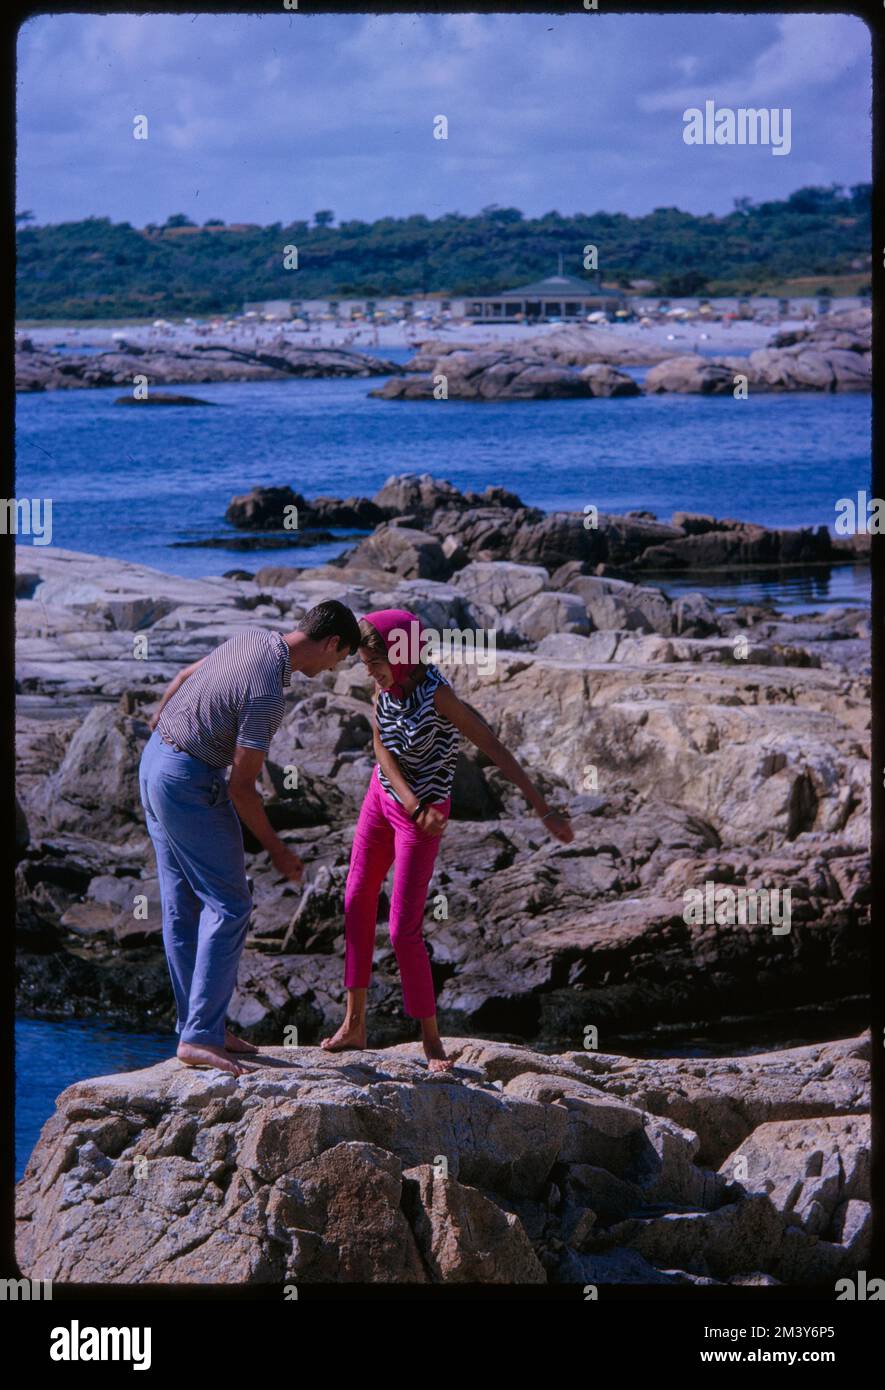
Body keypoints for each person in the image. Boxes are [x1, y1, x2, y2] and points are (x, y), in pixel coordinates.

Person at [321, 608, 574, 1071]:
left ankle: (432, 1041)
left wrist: (543, 808)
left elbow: (494, 748)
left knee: (402, 929)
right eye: (364, 663)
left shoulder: (440, 697)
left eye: (374, 662)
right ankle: (354, 1024)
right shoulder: (383, 687)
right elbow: (379, 742)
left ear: (402, 654)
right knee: (356, 900)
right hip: (385, 800)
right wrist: (405, 796)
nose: (368, 671)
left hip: (424, 819)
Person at [139, 600, 361, 1077]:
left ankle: (201, 1028)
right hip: (187, 782)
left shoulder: (253, 638)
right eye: (339, 659)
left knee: (183, 905)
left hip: (155, 761)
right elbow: (241, 789)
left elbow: (182, 676)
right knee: (231, 905)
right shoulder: (266, 692)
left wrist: (160, 723)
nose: (332, 668)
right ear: (333, 643)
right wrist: (279, 851)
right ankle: (199, 1035)